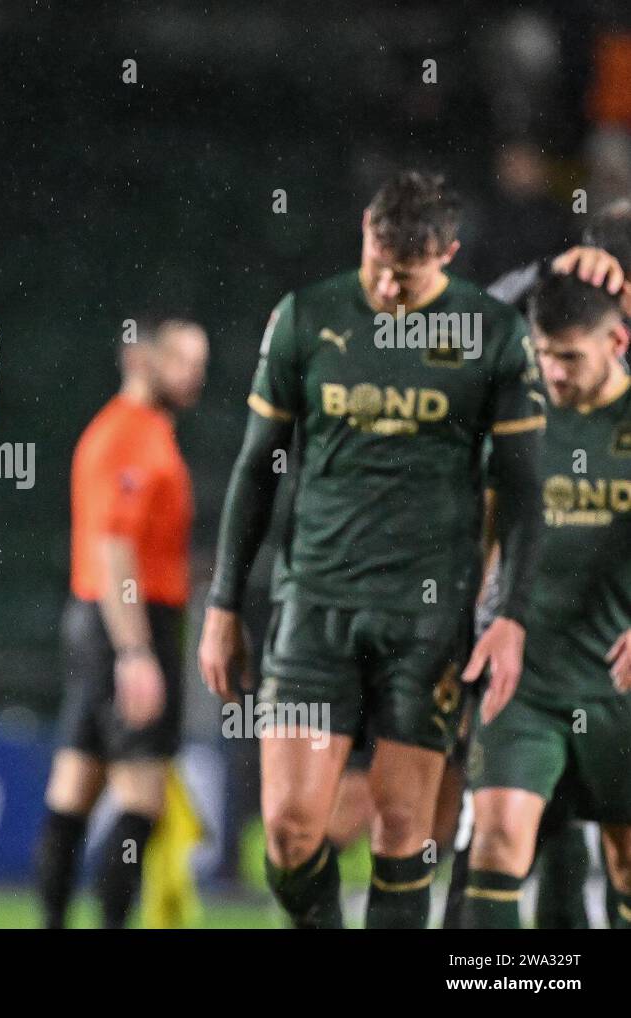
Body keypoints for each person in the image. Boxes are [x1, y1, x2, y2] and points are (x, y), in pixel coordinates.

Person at [199, 170, 545, 929]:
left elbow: (523, 491)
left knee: (402, 834)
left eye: (408, 275)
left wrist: (511, 614)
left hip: (427, 619)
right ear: (364, 230)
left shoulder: (491, 334)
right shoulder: (306, 317)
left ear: (448, 254)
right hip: (314, 607)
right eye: (377, 264)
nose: (387, 286)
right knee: (290, 834)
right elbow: (257, 467)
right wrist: (224, 603)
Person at [462, 270, 631, 928]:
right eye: (544, 352)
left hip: (615, 680)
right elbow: (484, 532)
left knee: (623, 861)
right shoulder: (517, 415)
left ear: (617, 340)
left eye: (571, 356)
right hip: (523, 677)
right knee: (498, 840)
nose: (555, 372)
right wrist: (465, 632)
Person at [35, 318, 207, 929]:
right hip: (127, 623)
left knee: (75, 786)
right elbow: (115, 551)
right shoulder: (129, 436)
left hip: (102, 622)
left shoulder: (146, 432)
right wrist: (136, 653)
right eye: (180, 358)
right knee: (142, 797)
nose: (194, 372)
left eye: (199, 360)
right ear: (143, 358)